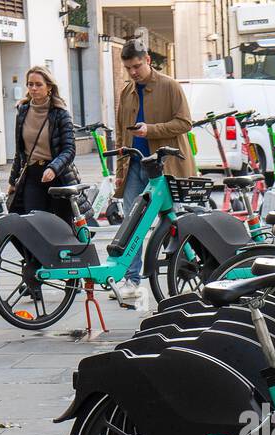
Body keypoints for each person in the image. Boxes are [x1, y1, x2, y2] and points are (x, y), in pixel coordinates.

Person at [112, 38, 197, 304]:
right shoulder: (126, 92)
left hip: (165, 167)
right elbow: (119, 134)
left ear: (148, 59)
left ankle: (187, 268)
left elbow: (185, 123)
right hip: (135, 165)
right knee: (131, 222)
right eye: (128, 68)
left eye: (137, 66)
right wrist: (119, 169)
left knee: (173, 221)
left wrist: (151, 129)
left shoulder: (170, 86)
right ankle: (131, 279)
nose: (133, 72)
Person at [6, 65, 78, 218]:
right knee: (34, 222)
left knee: (62, 225)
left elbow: (69, 149)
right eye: (30, 84)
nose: (34, 88)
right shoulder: (22, 112)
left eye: (38, 84)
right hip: (32, 175)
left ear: (49, 87)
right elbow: (20, 152)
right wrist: (13, 182)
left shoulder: (61, 113)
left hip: (57, 176)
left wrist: (53, 168)